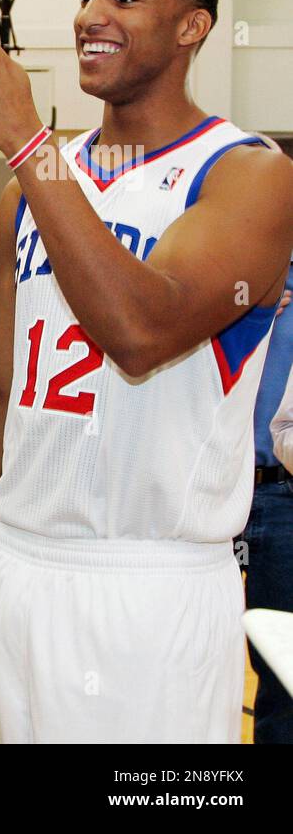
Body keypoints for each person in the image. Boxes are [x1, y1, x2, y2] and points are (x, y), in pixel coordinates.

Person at [0, 0, 293, 743]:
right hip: (14, 572)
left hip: (151, 587)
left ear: (192, 27)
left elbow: (142, 330)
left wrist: (26, 142)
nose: (91, 15)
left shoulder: (247, 173)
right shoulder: (30, 191)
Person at [250, 253, 293, 744]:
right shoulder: (224, 283)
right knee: (188, 657)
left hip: (283, 496)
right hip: (205, 492)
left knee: (282, 676)